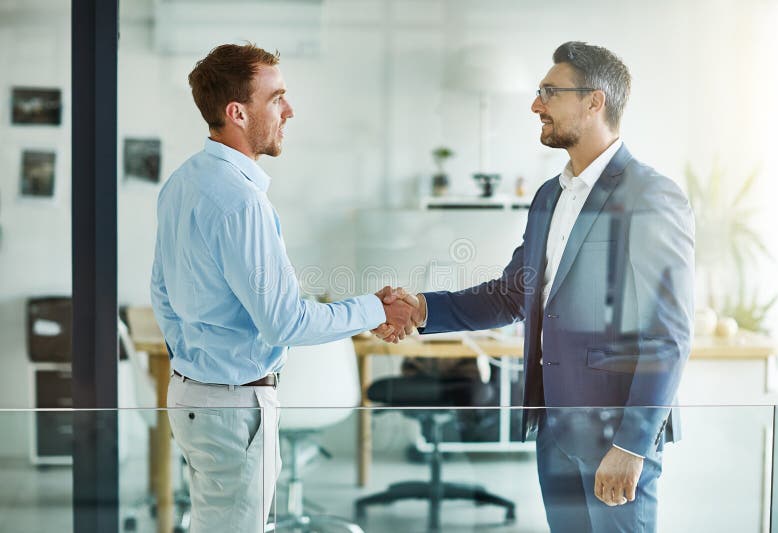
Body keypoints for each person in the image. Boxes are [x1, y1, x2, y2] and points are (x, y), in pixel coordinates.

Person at [375, 41, 694, 532]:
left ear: (594, 103)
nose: (535, 104)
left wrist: (631, 445)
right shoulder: (550, 196)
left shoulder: (650, 195)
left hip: (615, 439)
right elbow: (512, 294)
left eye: (550, 91)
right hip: (555, 432)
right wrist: (421, 309)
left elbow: (667, 335)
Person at [150, 43, 415, 533]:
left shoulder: (183, 182)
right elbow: (285, 321)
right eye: (276, 98)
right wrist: (371, 309)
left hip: (193, 396)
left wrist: (197, 364)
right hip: (233, 409)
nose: (288, 110)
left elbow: (161, 295)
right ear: (236, 112)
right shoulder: (241, 203)